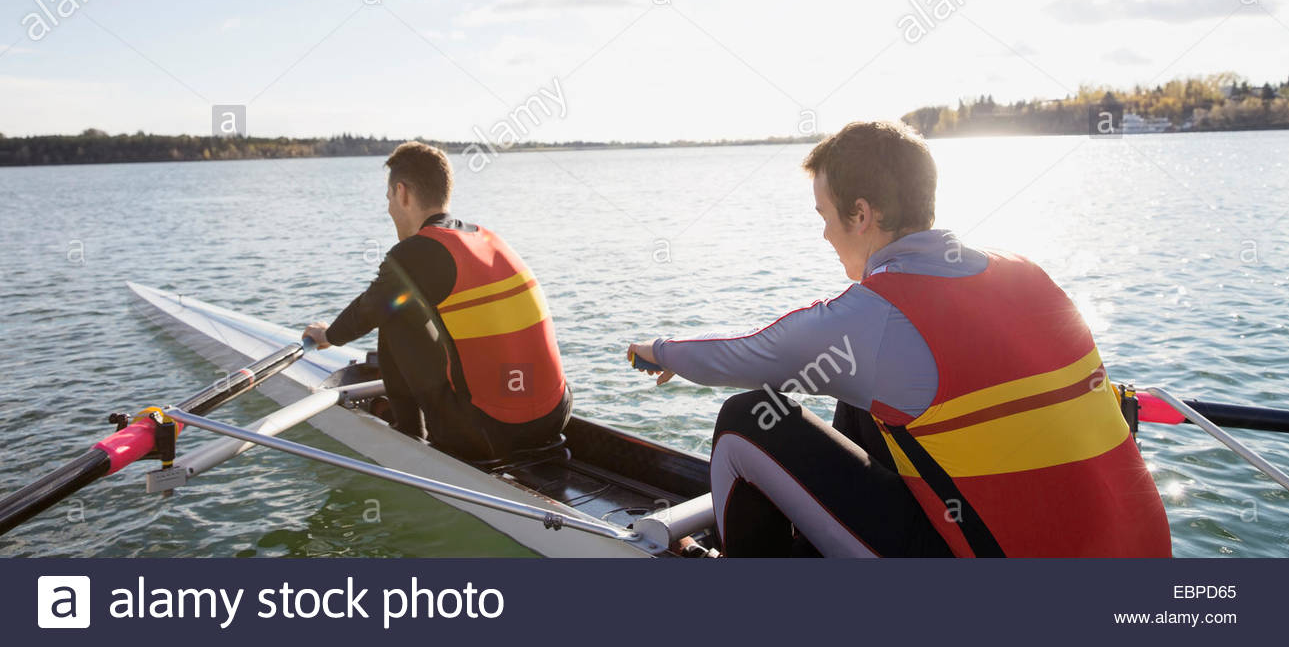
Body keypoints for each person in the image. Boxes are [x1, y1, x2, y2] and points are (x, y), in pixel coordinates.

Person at [628, 120, 1171, 557]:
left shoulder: (880, 316)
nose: (822, 232)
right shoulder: (1025, 272)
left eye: (824, 215)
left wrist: (661, 350)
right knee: (862, 398)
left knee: (746, 420)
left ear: (861, 214)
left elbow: (750, 353)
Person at [304, 141, 571, 461]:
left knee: (393, 309)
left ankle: (408, 435)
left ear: (402, 193)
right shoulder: (487, 238)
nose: (389, 208)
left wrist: (327, 336)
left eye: (388, 198)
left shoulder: (417, 251)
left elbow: (368, 310)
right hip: (555, 415)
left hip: (491, 433)